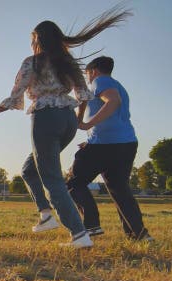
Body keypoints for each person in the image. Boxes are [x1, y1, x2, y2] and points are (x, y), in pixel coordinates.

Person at [0, 7, 131, 248]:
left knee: (52, 179)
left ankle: (79, 235)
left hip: (46, 119)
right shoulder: (67, 63)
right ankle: (46, 215)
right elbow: (83, 95)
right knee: (30, 169)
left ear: (37, 40)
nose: (31, 45)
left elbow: (14, 98)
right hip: (68, 121)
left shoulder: (33, 63)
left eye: (32, 40)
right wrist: (79, 121)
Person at [66, 56, 152, 241]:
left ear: (93, 71)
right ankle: (139, 234)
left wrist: (88, 126)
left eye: (87, 74)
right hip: (126, 143)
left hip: (106, 144)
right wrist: (91, 138)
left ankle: (91, 225)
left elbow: (112, 101)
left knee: (74, 182)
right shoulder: (117, 83)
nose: (88, 78)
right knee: (120, 189)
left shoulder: (100, 81)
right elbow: (113, 115)